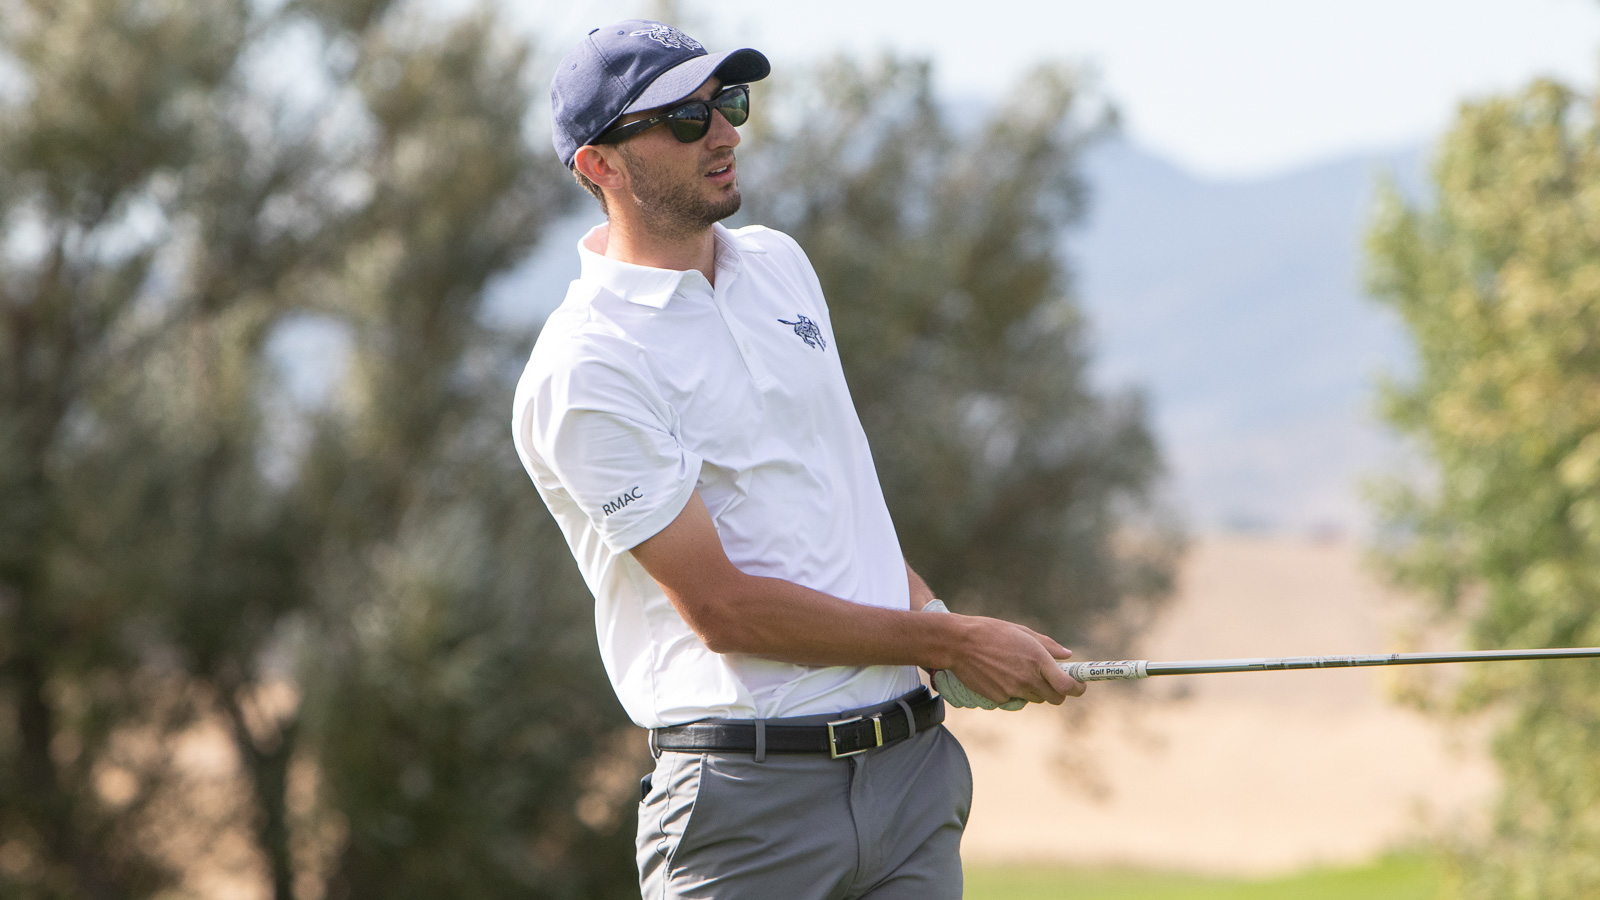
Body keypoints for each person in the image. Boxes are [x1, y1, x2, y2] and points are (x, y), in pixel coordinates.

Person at [513, 20, 1085, 900]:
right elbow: (724, 609)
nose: (725, 134)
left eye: (730, 104)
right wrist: (954, 640)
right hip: (748, 806)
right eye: (688, 119)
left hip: (909, 778)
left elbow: (836, 500)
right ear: (600, 165)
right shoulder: (586, 364)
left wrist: (937, 627)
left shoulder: (780, 266)